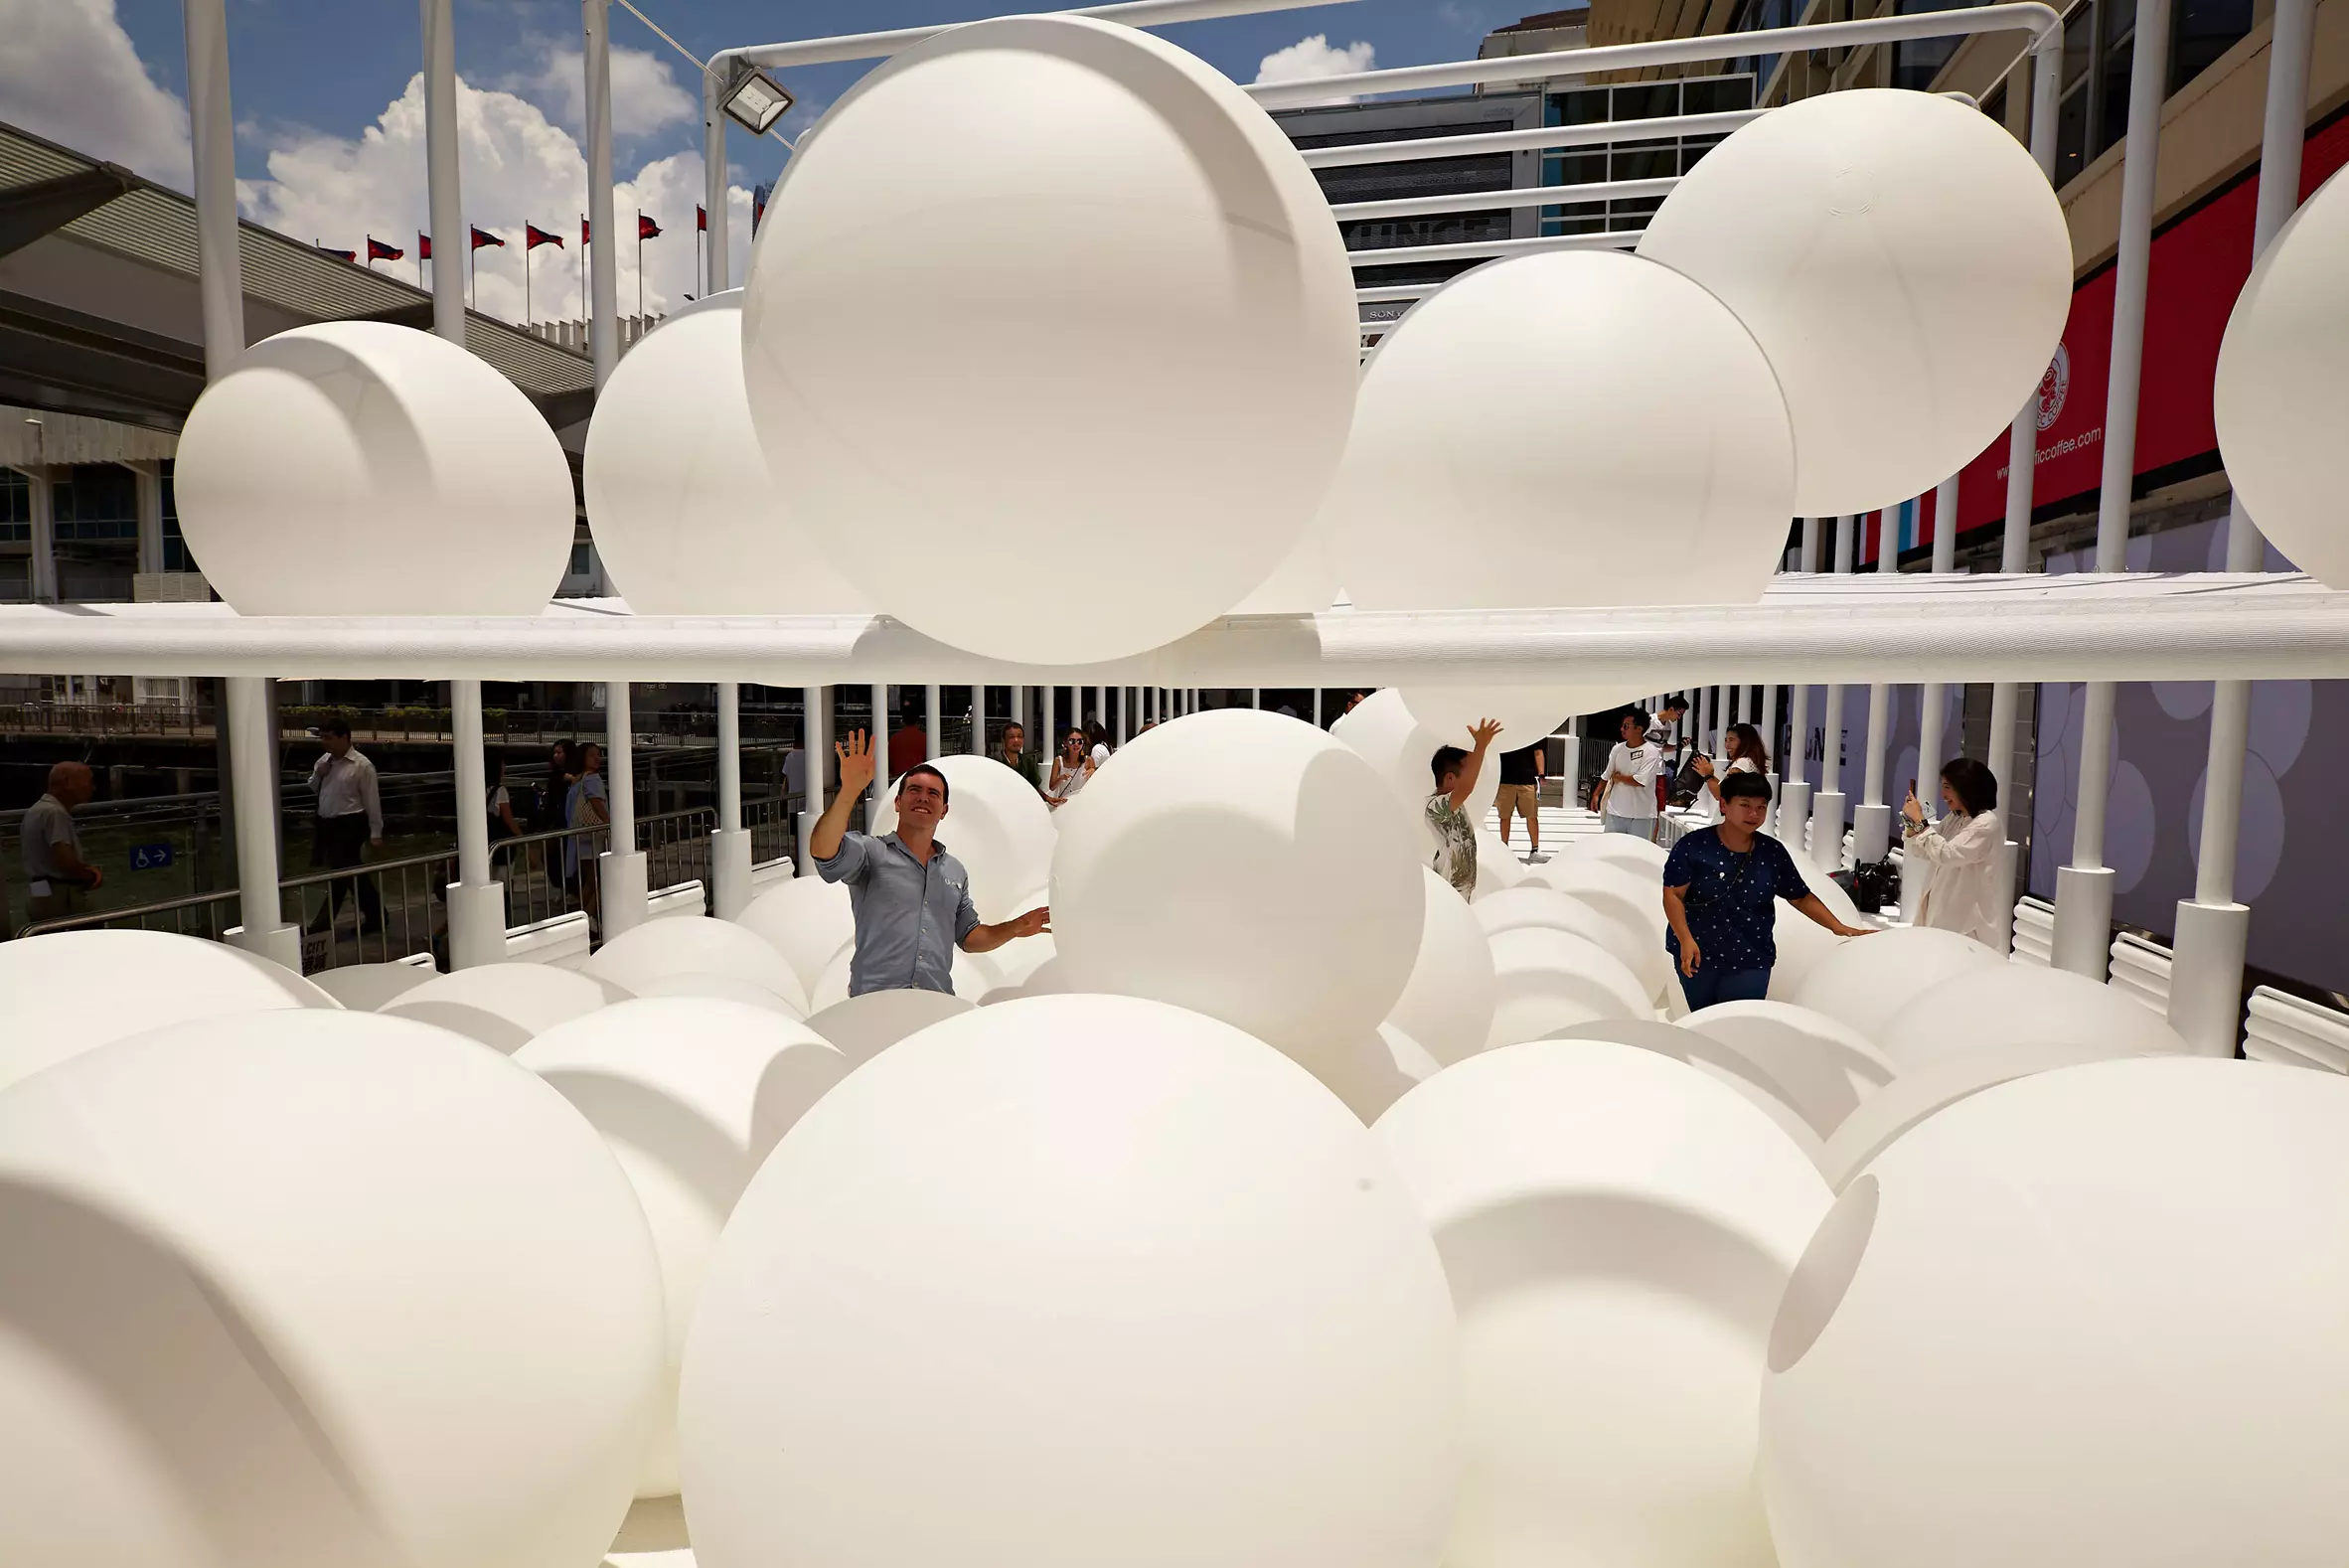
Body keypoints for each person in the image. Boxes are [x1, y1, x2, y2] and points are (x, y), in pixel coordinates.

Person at [812, 730, 1049, 997]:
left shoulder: (954, 871)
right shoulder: (871, 853)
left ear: (944, 810)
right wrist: (849, 792)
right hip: (875, 1005)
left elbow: (969, 937)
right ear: (898, 803)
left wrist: (1016, 927)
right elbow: (824, 852)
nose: (924, 798)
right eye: (914, 790)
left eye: (933, 793)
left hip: (934, 1003)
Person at [1663, 770, 1874, 1010]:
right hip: (1698, 954)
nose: (1754, 814)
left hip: (1751, 957)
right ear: (1724, 805)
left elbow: (1800, 896)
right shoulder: (1694, 846)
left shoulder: (1771, 852)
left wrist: (1838, 927)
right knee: (1705, 1022)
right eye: (1745, 805)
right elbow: (1673, 894)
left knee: (1742, 1024)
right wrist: (1685, 939)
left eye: (1761, 807)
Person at [1903, 756, 2004, 947]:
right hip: (1940, 911)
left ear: (1967, 788)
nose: (1943, 794)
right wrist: (1911, 820)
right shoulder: (1955, 818)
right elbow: (1923, 850)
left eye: (1947, 787)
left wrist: (1920, 822)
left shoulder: (1985, 824)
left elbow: (1946, 854)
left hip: (1966, 925)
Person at [307, 716, 385, 935]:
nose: (325, 742)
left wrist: (375, 831)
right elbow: (313, 787)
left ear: (344, 737)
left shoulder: (362, 765)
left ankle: (320, 926)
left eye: (329, 737)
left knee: (340, 872)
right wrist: (318, 774)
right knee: (351, 873)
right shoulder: (324, 761)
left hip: (350, 823)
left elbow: (372, 800)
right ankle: (377, 916)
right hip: (326, 823)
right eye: (322, 737)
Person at [1425, 718, 1503, 900]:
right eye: (1470, 772)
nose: (1475, 777)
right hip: (1448, 888)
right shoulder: (1435, 807)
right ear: (1451, 778)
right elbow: (1467, 788)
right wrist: (1481, 746)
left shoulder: (1453, 804)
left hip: (1460, 887)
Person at [19, 761, 101, 926]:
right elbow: (64, 860)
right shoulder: (55, 813)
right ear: (67, 783)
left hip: (38, 889)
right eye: (88, 781)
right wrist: (92, 875)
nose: (93, 788)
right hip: (60, 895)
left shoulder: (35, 810)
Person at [1592, 708, 1664, 842]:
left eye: (1626, 726)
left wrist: (1618, 777)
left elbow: (1641, 780)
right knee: (1611, 852)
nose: (1622, 729)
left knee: (1638, 857)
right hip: (1615, 812)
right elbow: (1607, 775)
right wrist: (1596, 794)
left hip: (1642, 815)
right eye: (1622, 726)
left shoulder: (1651, 752)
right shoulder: (1617, 749)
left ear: (1639, 729)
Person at [1689, 721, 1768, 825]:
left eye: (1731, 740)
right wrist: (1710, 775)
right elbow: (1727, 787)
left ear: (1744, 742)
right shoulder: (1750, 763)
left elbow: (1720, 794)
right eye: (1726, 740)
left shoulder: (1742, 764)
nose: (1727, 745)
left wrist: (1707, 775)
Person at [568, 740, 610, 926]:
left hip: (581, 834)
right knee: (601, 881)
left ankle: (579, 917)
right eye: (592, 755)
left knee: (591, 881)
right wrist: (610, 823)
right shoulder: (593, 779)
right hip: (593, 835)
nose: (597, 758)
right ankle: (588, 916)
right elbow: (596, 802)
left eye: (598, 754)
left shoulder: (578, 780)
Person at [1494, 739, 1547, 862]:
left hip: (1527, 779)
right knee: (1505, 816)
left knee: (1532, 815)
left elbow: (1538, 752)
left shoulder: (1531, 733)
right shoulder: (1504, 732)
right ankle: (1504, 847)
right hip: (1505, 779)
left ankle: (1535, 850)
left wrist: (1541, 774)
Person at [1042, 726, 1093, 810]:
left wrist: (1093, 770)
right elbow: (1052, 787)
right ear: (1065, 743)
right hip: (1063, 804)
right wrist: (1061, 778)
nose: (1076, 744)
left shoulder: (1089, 760)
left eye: (1079, 741)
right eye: (1072, 741)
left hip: (1082, 805)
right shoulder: (1059, 761)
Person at [995, 719, 1040, 792]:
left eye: (1019, 737)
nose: (1016, 740)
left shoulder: (1027, 760)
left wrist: (1047, 798)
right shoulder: (994, 760)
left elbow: (1034, 786)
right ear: (1003, 740)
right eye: (1011, 737)